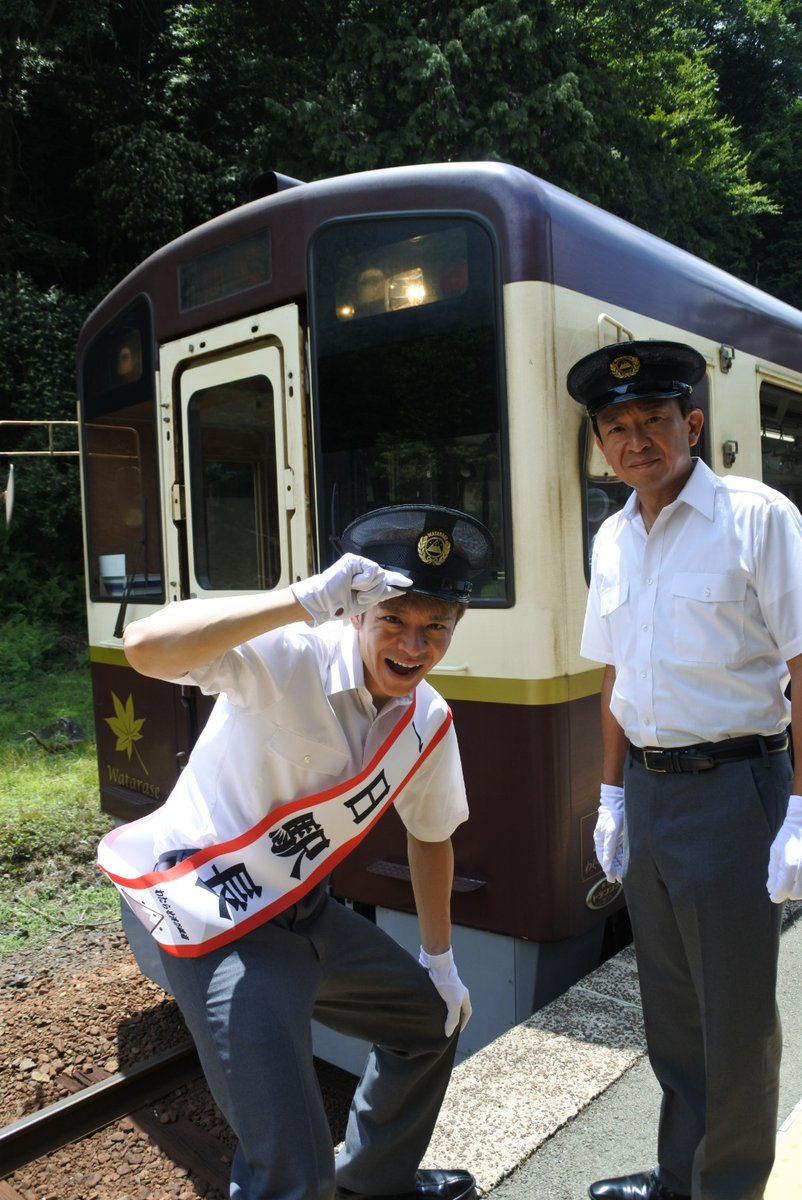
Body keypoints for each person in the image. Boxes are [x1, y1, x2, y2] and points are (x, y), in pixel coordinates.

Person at [98, 503, 494, 1200]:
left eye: (436, 627)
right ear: (354, 617)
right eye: (394, 622)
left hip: (303, 912)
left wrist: (440, 961)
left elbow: (432, 837)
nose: (414, 644)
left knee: (429, 1026)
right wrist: (296, 601)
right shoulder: (289, 657)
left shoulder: (426, 718)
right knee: (290, 1172)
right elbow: (145, 646)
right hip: (213, 916)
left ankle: (370, 1183)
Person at [568, 339, 802, 1200]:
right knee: (668, 1008)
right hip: (652, 795)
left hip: (737, 791)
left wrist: (801, 815)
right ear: (601, 444)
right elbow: (613, 676)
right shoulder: (612, 538)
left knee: (735, 1017)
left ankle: (728, 1187)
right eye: (616, 428)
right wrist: (609, 796)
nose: (636, 440)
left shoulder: (758, 517)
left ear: (691, 425)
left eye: (654, 421)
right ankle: (680, 1178)